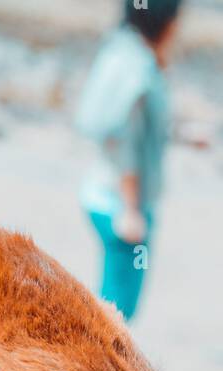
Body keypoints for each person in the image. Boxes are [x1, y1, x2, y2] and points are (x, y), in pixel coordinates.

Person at [76, 0, 183, 321]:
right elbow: (125, 142)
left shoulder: (118, 50)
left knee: (110, 310)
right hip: (122, 204)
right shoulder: (139, 71)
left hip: (98, 193)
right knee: (116, 314)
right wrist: (132, 209)